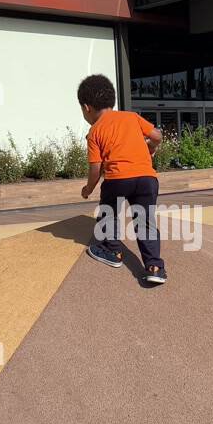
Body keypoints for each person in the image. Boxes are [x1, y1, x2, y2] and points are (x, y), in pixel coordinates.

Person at [77, 74, 167, 285]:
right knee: (145, 222)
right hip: (147, 179)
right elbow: (157, 136)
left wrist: (88, 188)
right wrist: (150, 148)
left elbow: (96, 168)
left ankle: (112, 251)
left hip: (118, 180)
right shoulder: (131, 117)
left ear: (87, 108)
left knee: (108, 212)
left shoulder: (95, 131)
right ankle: (155, 267)